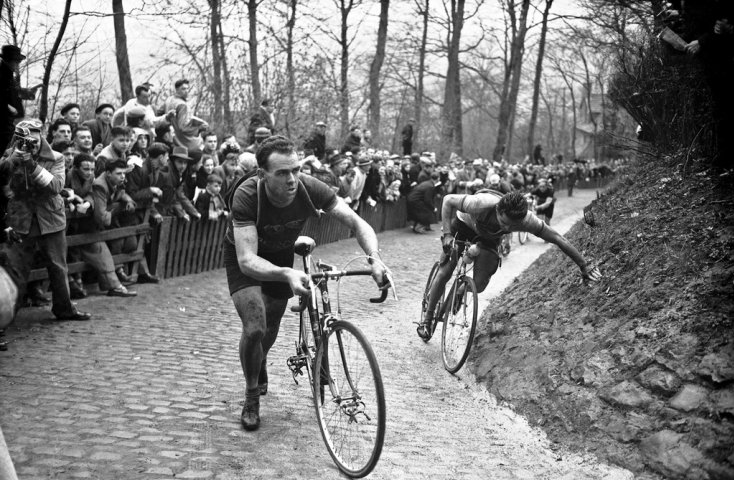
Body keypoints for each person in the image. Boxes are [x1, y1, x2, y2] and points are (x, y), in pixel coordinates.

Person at [223, 135, 387, 431]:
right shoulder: (248, 194)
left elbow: (357, 223)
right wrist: (286, 274)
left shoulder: (310, 187)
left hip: (281, 251)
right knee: (255, 326)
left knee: (271, 323)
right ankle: (251, 395)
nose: (292, 179)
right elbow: (247, 259)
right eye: (282, 173)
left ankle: (259, 362)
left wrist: (375, 257)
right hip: (245, 257)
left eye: (296, 170)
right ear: (263, 175)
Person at [416, 190, 601, 341]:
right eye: (504, 222)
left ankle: (460, 291)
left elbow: (557, 238)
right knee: (446, 269)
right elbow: (448, 200)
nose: (506, 228)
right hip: (464, 226)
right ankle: (427, 319)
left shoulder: (528, 220)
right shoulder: (480, 203)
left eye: (512, 226)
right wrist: (447, 234)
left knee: (479, 284)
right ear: (497, 210)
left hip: (488, 238)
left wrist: (583, 265)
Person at [0, 119, 91, 321]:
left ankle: (64, 308)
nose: (31, 142)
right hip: (21, 220)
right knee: (16, 268)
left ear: (41, 135)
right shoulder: (10, 156)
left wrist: (32, 165)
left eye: (35, 136)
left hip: (50, 217)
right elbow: (2, 178)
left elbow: (56, 186)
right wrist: (12, 160)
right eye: (26, 137)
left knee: (58, 266)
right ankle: (6, 316)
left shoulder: (56, 158)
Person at [0, 45, 39, 151]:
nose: (17, 65)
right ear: (8, 60)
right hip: (3, 125)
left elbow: (14, 93)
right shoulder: (2, 74)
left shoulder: (9, 75)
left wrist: (29, 93)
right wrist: (8, 107)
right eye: (16, 62)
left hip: (11, 124)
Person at [164, 79, 209, 153]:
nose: (186, 91)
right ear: (177, 89)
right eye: (183, 89)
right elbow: (183, 128)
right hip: (184, 144)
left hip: (173, 140)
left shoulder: (169, 100)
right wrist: (199, 128)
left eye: (188, 88)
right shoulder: (182, 105)